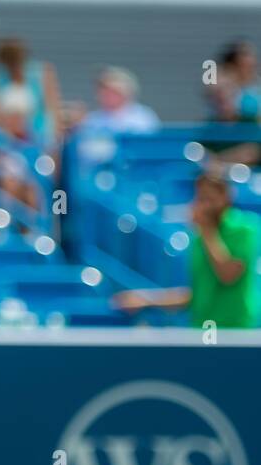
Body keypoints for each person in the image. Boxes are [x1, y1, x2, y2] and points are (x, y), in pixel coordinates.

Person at [112, 171, 259, 329]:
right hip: (203, 329)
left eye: (210, 198)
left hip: (237, 330)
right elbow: (198, 295)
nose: (204, 205)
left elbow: (228, 275)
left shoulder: (245, 228)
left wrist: (207, 230)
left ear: (226, 197)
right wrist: (146, 299)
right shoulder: (199, 237)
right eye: (201, 198)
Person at [76, 66, 160, 135]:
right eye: (103, 92)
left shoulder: (142, 117)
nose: (105, 96)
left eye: (111, 92)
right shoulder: (93, 120)